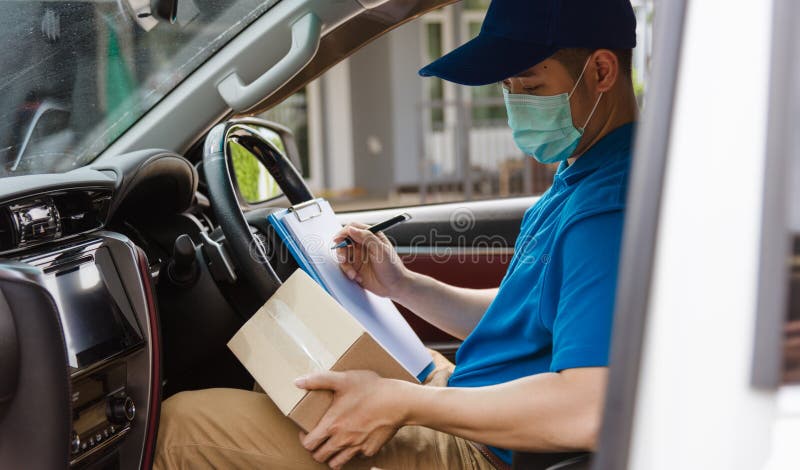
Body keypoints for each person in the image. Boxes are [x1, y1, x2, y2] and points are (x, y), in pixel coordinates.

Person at [154, 0, 639, 468]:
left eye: (529, 87)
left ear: (600, 71)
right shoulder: (585, 172)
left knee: (182, 427)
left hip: (490, 452)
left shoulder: (608, 209)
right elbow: (526, 318)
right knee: (286, 383)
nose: (513, 102)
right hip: (467, 404)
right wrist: (402, 285)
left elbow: (588, 408)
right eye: (507, 87)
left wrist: (403, 403)